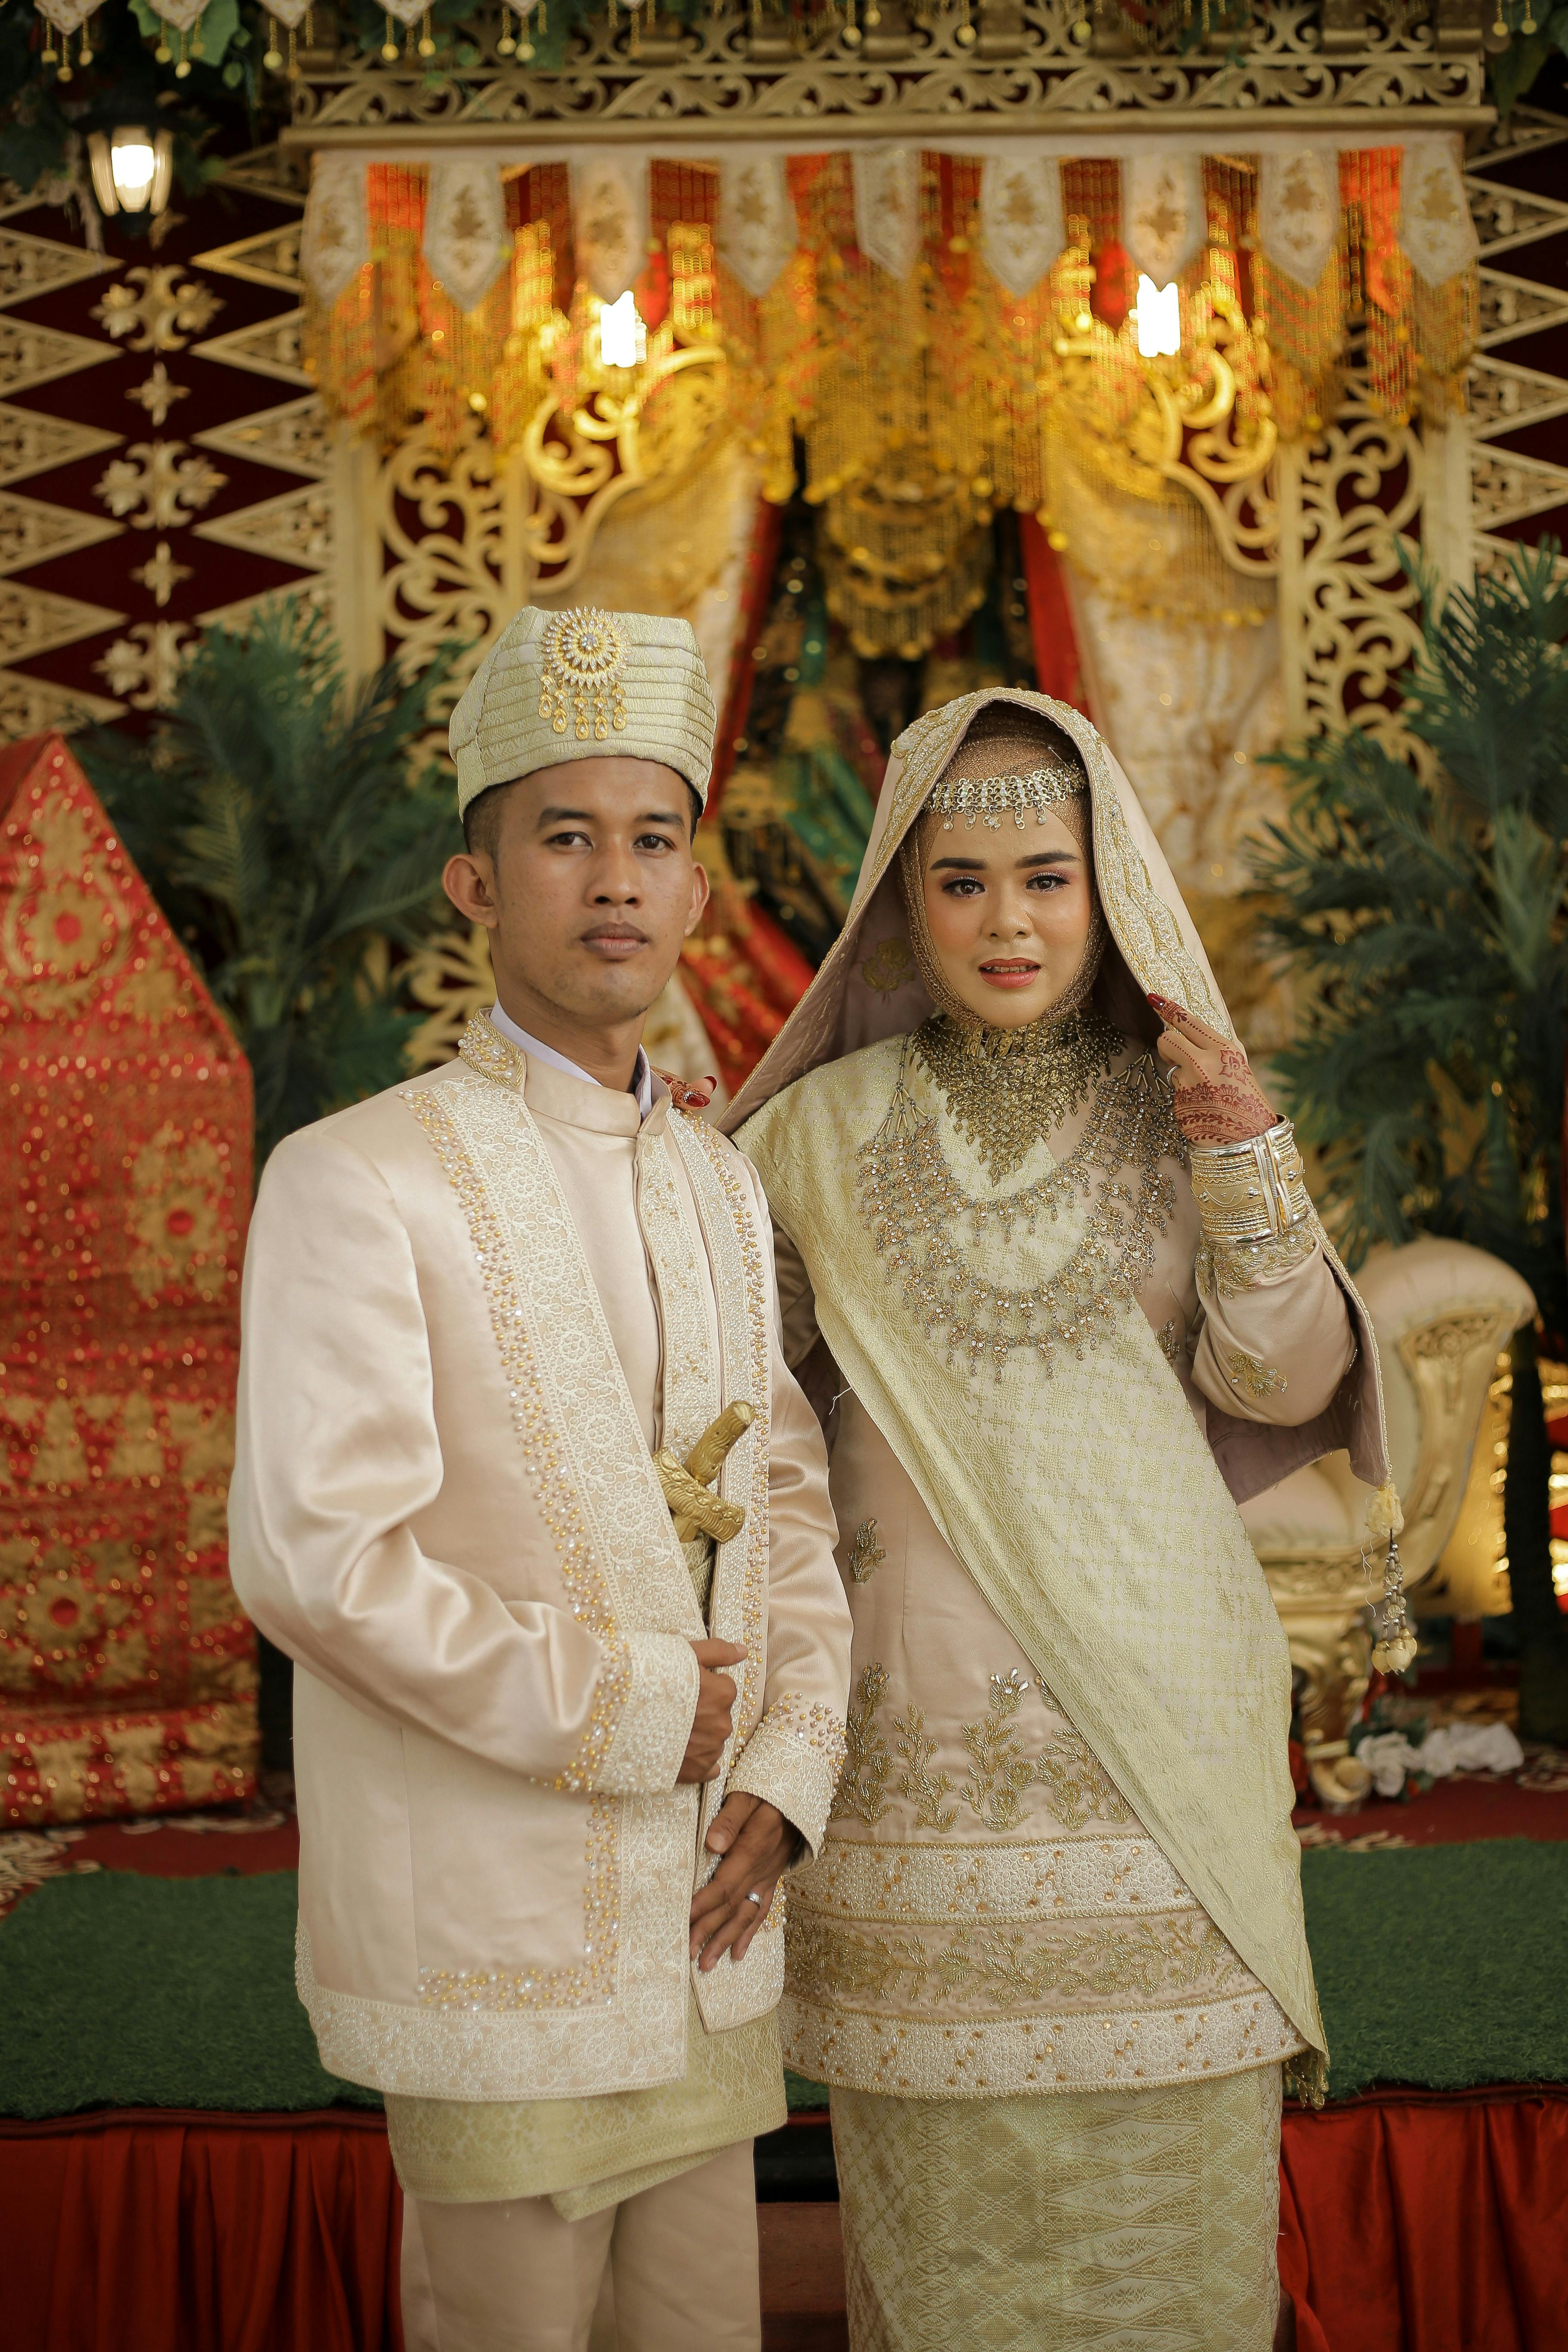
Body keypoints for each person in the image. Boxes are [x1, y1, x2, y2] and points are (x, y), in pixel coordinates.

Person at [727, 691, 1402, 2352]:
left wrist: (1249, 1163)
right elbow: (714, 1382)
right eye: (961, 883)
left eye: (1046, 876)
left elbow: (1282, 1376)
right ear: (902, 901)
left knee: (1172, 2192)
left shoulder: (1183, 1112)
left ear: (1108, 894)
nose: (1007, 921)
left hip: (1163, 1725)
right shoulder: (809, 1135)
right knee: (948, 2210)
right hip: (914, 1743)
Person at [229, 605, 852, 2352]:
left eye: (654, 840)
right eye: (563, 836)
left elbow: (787, 1502)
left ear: (696, 888)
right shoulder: (362, 1181)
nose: (615, 882)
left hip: (708, 1897)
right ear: (474, 885)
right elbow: (315, 1554)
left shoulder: (719, 1182)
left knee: (699, 2327)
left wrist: (785, 1767)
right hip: (484, 1897)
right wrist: (649, 1711)